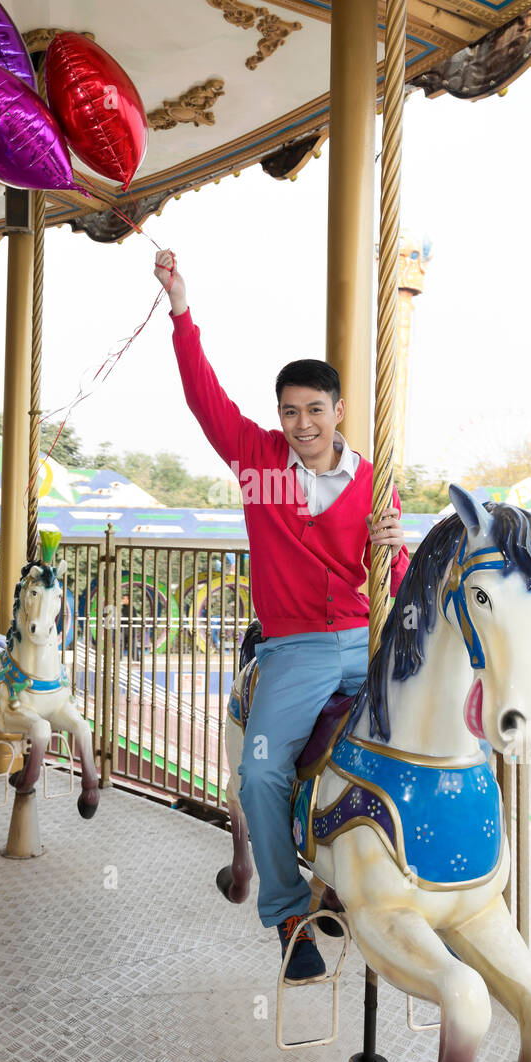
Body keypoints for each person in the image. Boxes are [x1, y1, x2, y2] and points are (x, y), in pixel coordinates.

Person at [154, 250, 409, 979]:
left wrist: (395, 548)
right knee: (261, 773)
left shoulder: (373, 483)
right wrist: (181, 309)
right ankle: (290, 909)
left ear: (337, 413)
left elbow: (391, 580)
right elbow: (205, 398)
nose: (301, 424)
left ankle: (431, 892)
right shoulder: (257, 460)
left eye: (314, 411)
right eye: (290, 411)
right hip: (295, 649)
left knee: (442, 733)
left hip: (365, 641)